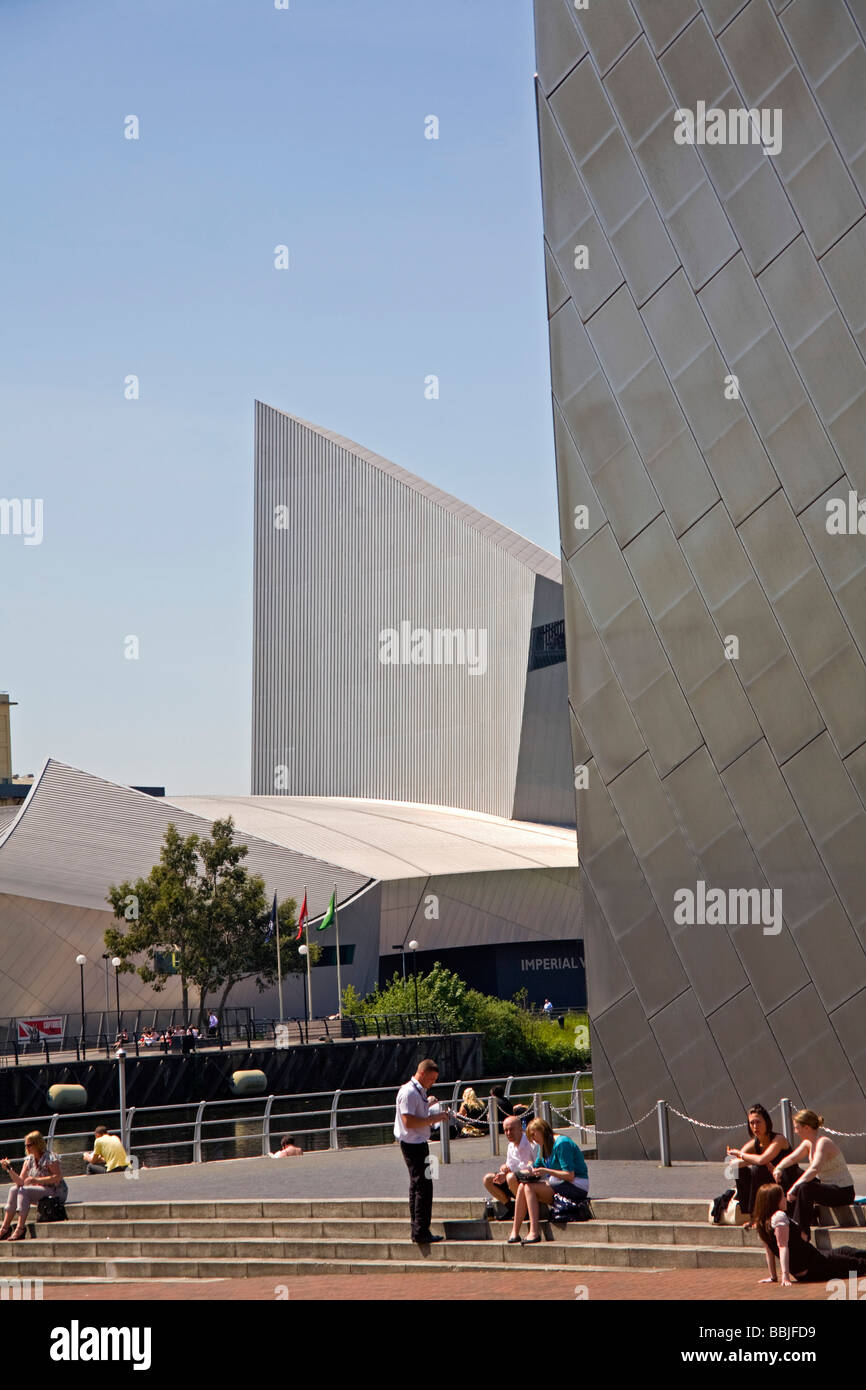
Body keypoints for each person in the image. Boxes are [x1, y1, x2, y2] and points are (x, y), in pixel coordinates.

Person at [752, 1183, 866, 1285]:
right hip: (813, 1266)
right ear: (773, 1201)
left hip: (814, 1259)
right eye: (782, 1196)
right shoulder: (778, 1216)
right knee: (856, 1264)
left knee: (846, 1250)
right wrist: (785, 1276)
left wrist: (773, 1277)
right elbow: (782, 1246)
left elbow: (769, 1251)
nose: (785, 1199)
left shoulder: (761, 1223)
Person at [772, 1109, 855, 1240]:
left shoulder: (823, 1142)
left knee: (805, 1187)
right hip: (827, 1187)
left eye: (797, 1128)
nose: (795, 1131)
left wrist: (794, 1187)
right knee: (789, 1172)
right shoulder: (808, 1143)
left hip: (842, 1191)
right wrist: (779, 1168)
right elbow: (792, 1159)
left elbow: (815, 1168)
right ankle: (791, 1218)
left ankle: (802, 1232)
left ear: (806, 1127)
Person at [710, 1104, 798, 1225]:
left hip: (787, 1180)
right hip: (768, 1180)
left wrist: (742, 1156)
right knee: (740, 1169)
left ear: (767, 1122)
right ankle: (751, 1214)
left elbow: (761, 1159)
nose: (755, 1127)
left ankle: (756, 1217)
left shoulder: (778, 1139)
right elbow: (733, 1163)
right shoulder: (755, 1143)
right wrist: (739, 1158)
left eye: (758, 1122)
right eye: (752, 1123)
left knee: (757, 1168)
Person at [394, 1058, 450, 1245]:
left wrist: (429, 1109)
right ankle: (420, 1231)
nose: (433, 1083)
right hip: (412, 1144)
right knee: (423, 1186)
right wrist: (435, 1118)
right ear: (423, 1073)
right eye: (432, 1079)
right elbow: (409, 1122)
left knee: (419, 1185)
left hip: (419, 1142)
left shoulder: (419, 1091)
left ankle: (418, 1228)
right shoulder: (409, 1092)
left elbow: (415, 1117)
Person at [509, 1118, 589, 1245]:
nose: (533, 1139)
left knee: (529, 1188)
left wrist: (546, 1171)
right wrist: (522, 1172)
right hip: (558, 1183)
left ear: (542, 1130)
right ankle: (515, 1231)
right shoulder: (543, 1146)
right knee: (522, 1186)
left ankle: (534, 1232)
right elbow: (536, 1166)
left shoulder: (562, 1144)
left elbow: (569, 1175)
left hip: (577, 1185)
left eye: (534, 1135)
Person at [0, 1131, 68, 1239]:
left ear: (38, 1144)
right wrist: (9, 1169)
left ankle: (20, 1228)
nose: (27, 1147)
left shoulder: (50, 1157)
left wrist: (36, 1180)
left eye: (29, 1145)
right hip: (40, 1190)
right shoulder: (29, 1160)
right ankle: (5, 1228)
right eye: (26, 1145)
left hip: (55, 1191)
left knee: (24, 1191)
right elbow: (21, 1181)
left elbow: (57, 1177)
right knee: (14, 1190)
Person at [482, 1114, 534, 1217]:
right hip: (513, 1178)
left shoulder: (530, 1143)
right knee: (488, 1179)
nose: (508, 1133)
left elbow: (530, 1167)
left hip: (528, 1180)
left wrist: (507, 1173)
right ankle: (512, 1208)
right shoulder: (510, 1145)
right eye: (506, 1130)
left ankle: (525, 1210)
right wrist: (504, 1169)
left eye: (511, 1129)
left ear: (520, 1128)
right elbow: (509, 1164)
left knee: (510, 1177)